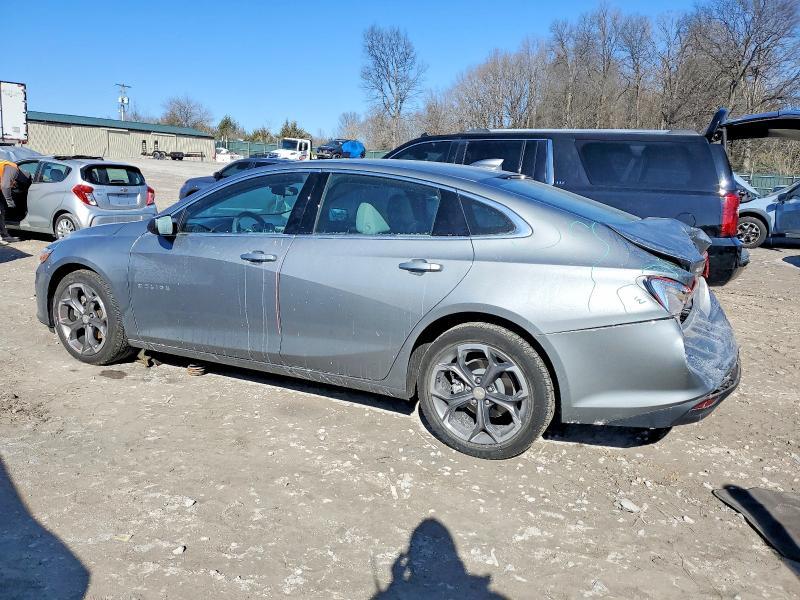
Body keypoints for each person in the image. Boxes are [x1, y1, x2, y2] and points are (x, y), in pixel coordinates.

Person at [0, 160, 30, 243]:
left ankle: (4, 236)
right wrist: (10, 202)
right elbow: (5, 186)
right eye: (14, 184)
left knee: (1, 211)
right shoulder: (13, 168)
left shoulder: (8, 168)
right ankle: (4, 236)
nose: (13, 186)